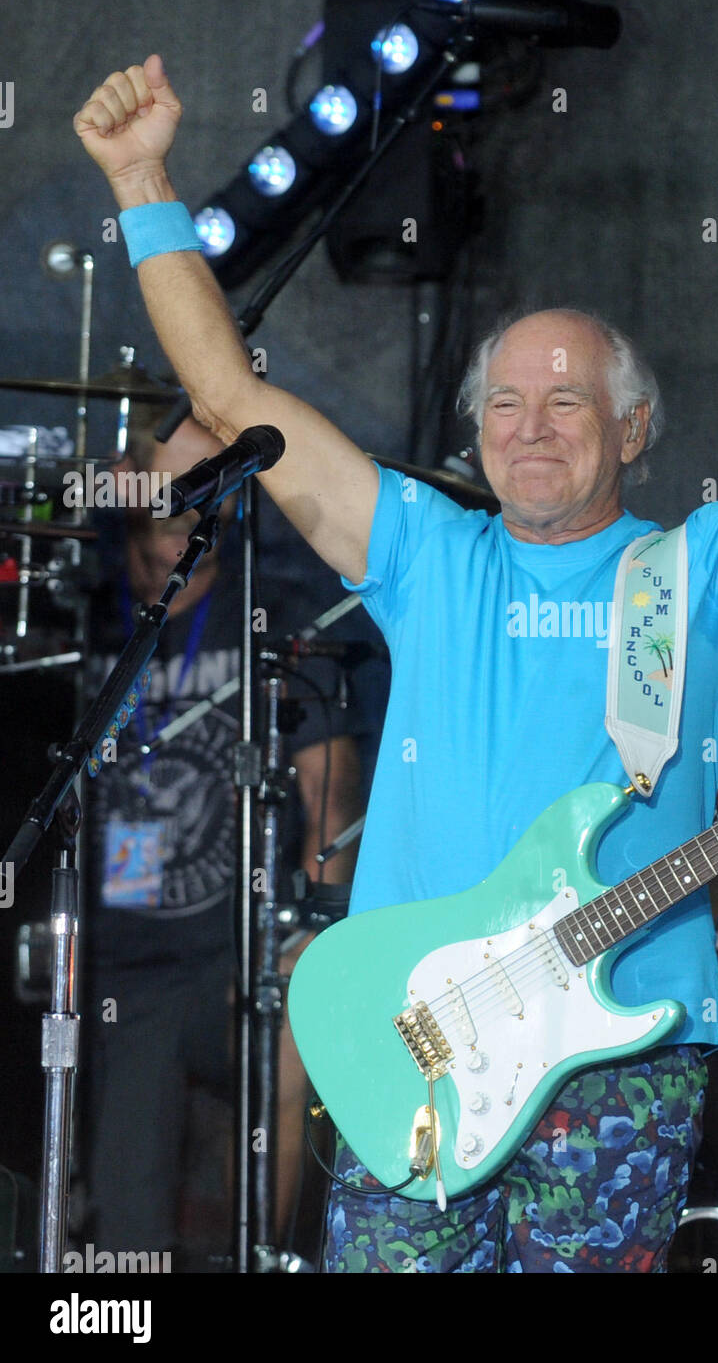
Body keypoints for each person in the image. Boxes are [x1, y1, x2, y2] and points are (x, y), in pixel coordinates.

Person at [73, 54, 718, 1273]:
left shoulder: (697, 571)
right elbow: (228, 393)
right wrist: (141, 180)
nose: (530, 426)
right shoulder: (424, 549)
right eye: (504, 404)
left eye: (567, 402)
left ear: (635, 431)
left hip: (618, 1056)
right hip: (416, 1036)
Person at [81, 412, 365, 1266]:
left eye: (207, 493)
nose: (185, 514)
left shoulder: (271, 607)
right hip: (127, 961)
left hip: (242, 953)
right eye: (167, 491)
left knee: (294, 1031)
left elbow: (331, 787)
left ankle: (261, 1263)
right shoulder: (89, 615)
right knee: (126, 1232)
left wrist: (318, 930)